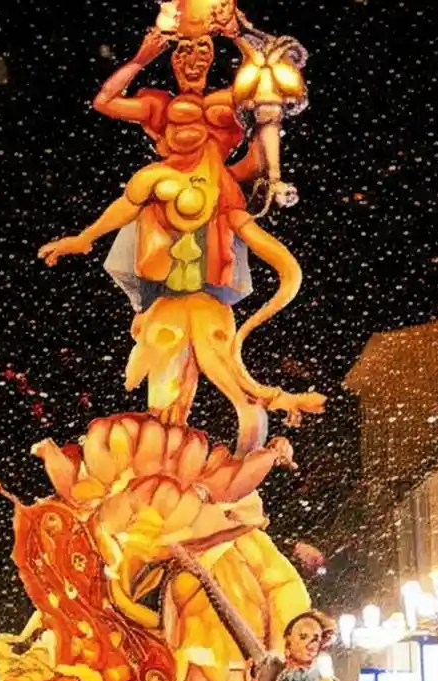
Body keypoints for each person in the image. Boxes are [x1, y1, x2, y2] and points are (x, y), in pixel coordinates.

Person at [38, 27, 323, 456]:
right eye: (184, 50)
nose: (192, 58)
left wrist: (239, 37)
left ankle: (249, 412)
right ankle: (166, 436)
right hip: (165, 210)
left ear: (212, 57)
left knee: (215, 321)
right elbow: (104, 103)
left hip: (219, 204)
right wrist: (139, 58)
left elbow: (264, 108)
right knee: (167, 328)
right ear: (172, 59)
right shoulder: (159, 107)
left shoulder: (230, 102)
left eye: (202, 50)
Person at [252, 611, 344, 681]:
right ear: (288, 638)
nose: (311, 645)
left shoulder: (304, 677)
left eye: (316, 639)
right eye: (303, 637)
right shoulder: (277, 670)